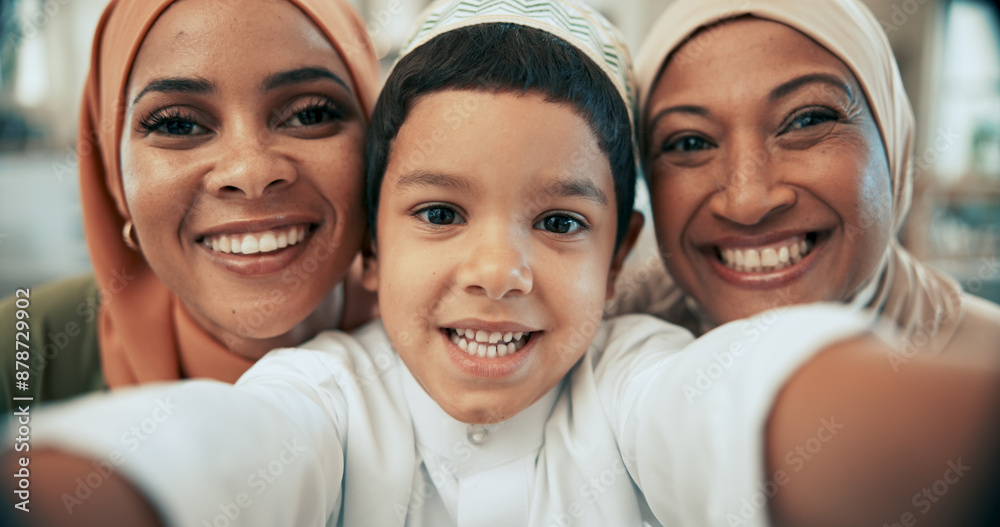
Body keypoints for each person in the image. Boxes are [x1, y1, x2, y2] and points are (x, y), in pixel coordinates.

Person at [5, 1, 999, 526]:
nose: (497, 269)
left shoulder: (634, 370)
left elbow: (740, 400)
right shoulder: (324, 391)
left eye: (560, 222)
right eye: (440, 210)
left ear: (621, 257)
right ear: (371, 242)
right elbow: (216, 445)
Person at [0, 0, 380, 411]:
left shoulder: (446, 346)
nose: (250, 172)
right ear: (114, 171)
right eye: (177, 124)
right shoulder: (21, 353)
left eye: (310, 115)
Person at [611, 0, 1000, 358]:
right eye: (690, 142)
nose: (747, 202)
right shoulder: (589, 352)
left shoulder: (985, 370)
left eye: (808, 120)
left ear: (893, 141)